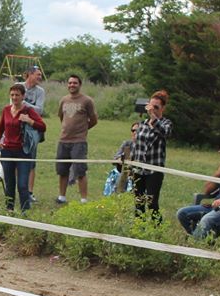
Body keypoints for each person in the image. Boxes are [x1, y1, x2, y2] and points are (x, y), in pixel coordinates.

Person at [0, 83, 46, 211]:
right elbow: (0, 128)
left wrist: (29, 120)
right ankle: (9, 209)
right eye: (12, 95)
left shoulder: (28, 111)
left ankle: (25, 212)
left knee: (23, 185)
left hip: (23, 151)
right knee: (9, 183)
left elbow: (43, 126)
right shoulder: (6, 110)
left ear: (23, 96)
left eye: (17, 95)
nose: (14, 97)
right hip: (7, 151)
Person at [55, 75, 98, 204]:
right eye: (70, 83)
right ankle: (62, 197)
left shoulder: (87, 101)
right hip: (63, 140)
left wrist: (83, 130)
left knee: (80, 170)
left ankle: (83, 199)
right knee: (62, 170)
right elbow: (61, 117)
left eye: (74, 83)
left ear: (80, 85)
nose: (72, 85)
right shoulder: (64, 100)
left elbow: (94, 120)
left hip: (79, 141)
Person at [130, 89, 172, 220]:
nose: (152, 110)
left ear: (163, 108)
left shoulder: (166, 123)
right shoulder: (142, 124)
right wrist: (131, 164)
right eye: (151, 106)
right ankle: (139, 228)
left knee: (152, 203)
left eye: (156, 107)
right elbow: (137, 145)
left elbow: (165, 133)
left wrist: (154, 119)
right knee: (139, 203)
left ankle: (157, 227)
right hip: (139, 169)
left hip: (154, 170)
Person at [21, 66, 45, 202]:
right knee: (16, 160)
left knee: (31, 161)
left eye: (40, 75)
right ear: (29, 74)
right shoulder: (18, 86)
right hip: (18, 129)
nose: (40, 77)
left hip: (33, 130)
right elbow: (14, 106)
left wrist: (25, 104)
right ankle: (19, 190)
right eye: (38, 74)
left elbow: (40, 110)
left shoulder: (40, 91)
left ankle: (29, 192)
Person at [104, 122, 138, 196]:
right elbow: (115, 159)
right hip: (120, 172)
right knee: (114, 174)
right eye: (133, 130)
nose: (135, 132)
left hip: (135, 175)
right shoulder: (126, 143)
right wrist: (119, 159)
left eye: (137, 131)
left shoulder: (143, 146)